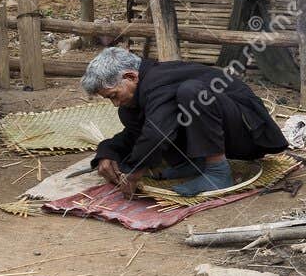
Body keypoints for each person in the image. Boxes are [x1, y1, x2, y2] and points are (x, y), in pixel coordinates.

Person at [82, 47, 287, 199]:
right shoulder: (143, 89)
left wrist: (135, 173)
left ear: (130, 76)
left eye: (114, 95)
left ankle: (217, 172)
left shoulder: (157, 81)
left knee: (192, 92)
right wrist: (106, 151)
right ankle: (190, 163)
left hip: (249, 133)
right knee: (130, 113)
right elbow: (138, 135)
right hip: (223, 133)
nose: (115, 103)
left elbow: (156, 133)